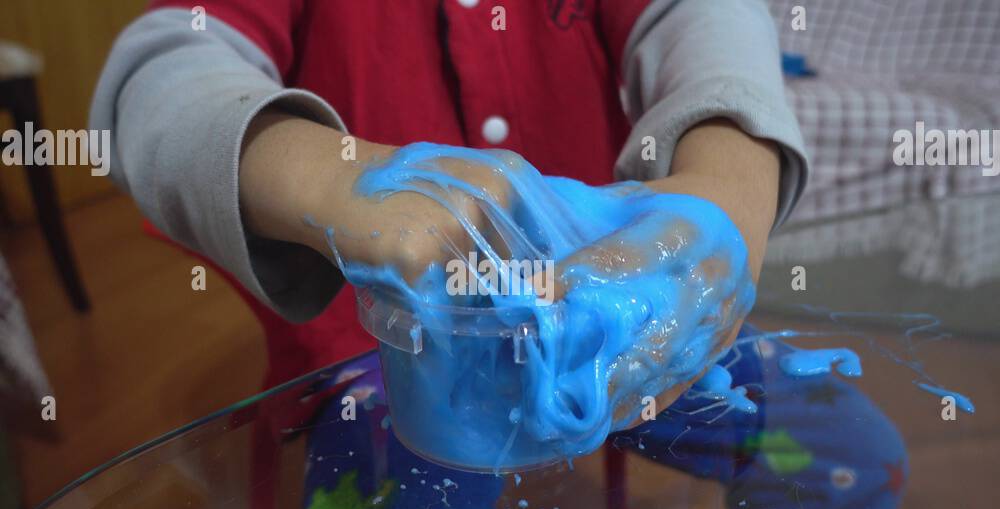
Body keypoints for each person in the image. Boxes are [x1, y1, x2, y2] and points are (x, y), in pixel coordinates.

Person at [90, 0, 808, 410]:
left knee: (845, 453)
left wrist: (726, 185)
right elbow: (156, 79)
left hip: (622, 325)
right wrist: (333, 180)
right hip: (375, 374)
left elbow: (702, 17)